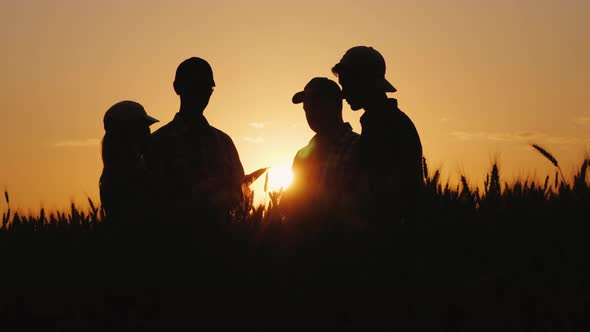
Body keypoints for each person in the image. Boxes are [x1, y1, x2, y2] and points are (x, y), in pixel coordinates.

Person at [332, 46, 423, 222]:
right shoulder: (386, 121)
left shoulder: (385, 126)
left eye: (346, 84)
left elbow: (380, 195)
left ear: (363, 81)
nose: (343, 94)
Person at [147, 57, 245, 218]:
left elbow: (239, 194)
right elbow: (152, 200)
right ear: (178, 88)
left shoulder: (224, 142)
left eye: (207, 88)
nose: (202, 94)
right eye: (195, 86)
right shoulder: (158, 143)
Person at [283, 77, 360, 219]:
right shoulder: (302, 156)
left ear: (336, 105)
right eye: (307, 108)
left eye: (316, 106)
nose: (310, 113)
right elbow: (291, 205)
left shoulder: (358, 147)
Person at [99, 100, 159, 219]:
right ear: (126, 133)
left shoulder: (114, 172)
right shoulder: (127, 175)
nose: (148, 132)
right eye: (143, 127)